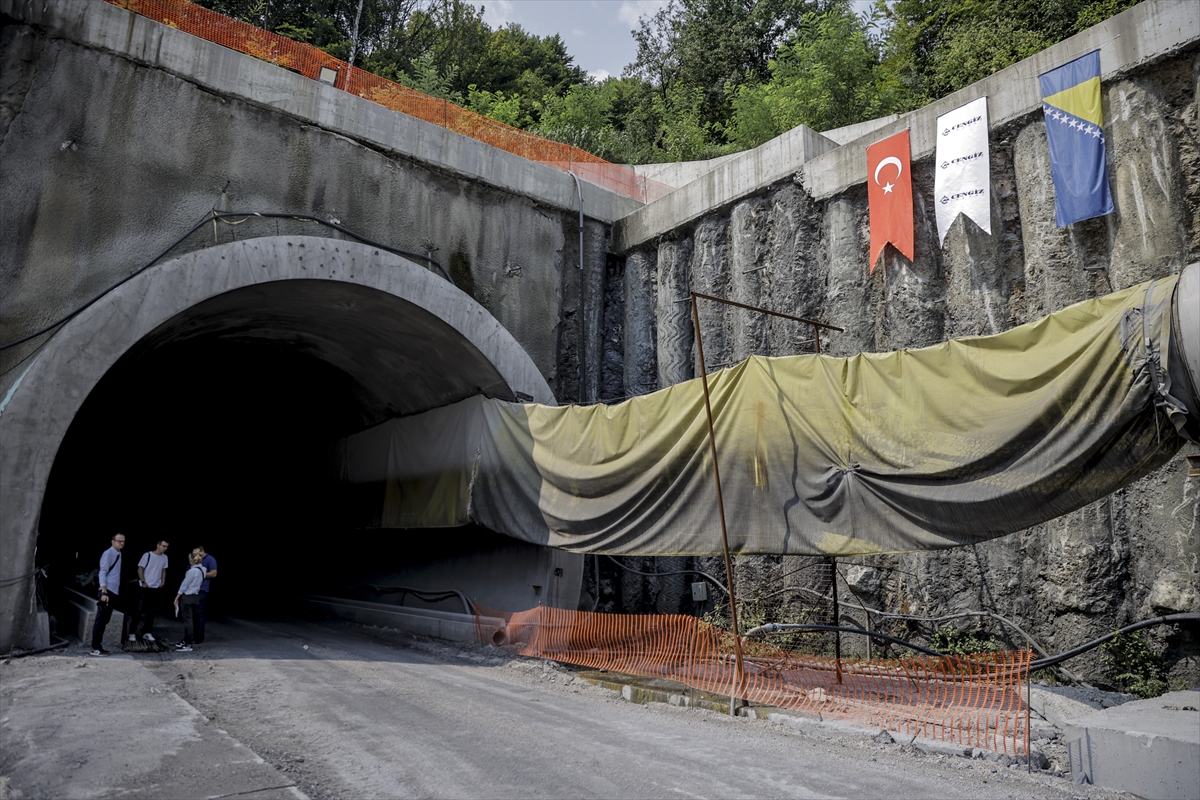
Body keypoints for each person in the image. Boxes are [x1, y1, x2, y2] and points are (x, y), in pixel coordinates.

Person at [89, 533, 125, 656]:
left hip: (113, 591)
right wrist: (104, 591)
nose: (121, 543)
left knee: (104, 620)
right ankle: (95, 648)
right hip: (107, 591)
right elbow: (102, 572)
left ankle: (98, 646)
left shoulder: (118, 554)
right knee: (100, 620)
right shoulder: (108, 553)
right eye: (119, 541)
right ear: (112, 541)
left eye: (123, 541)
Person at [133, 539, 169, 642]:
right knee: (138, 610)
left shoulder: (165, 557)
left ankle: (147, 632)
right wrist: (143, 581)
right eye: (164, 546)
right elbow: (140, 568)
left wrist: (163, 581)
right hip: (145, 586)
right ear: (158, 545)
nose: (165, 548)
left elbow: (163, 570)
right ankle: (132, 633)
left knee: (151, 611)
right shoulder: (147, 555)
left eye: (166, 547)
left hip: (155, 587)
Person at [173, 552, 205, 652]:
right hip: (196, 596)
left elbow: (184, 585)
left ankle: (188, 644)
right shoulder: (203, 570)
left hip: (188, 596)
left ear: (191, 561)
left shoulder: (192, 571)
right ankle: (186, 640)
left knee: (188, 621)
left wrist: (177, 597)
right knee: (192, 619)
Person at [193, 546, 218, 644]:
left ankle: (199, 635)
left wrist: (199, 573)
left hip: (202, 589)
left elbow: (214, 573)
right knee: (193, 613)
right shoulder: (195, 558)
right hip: (192, 589)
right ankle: (192, 634)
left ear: (202, 550)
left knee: (199, 612)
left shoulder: (210, 559)